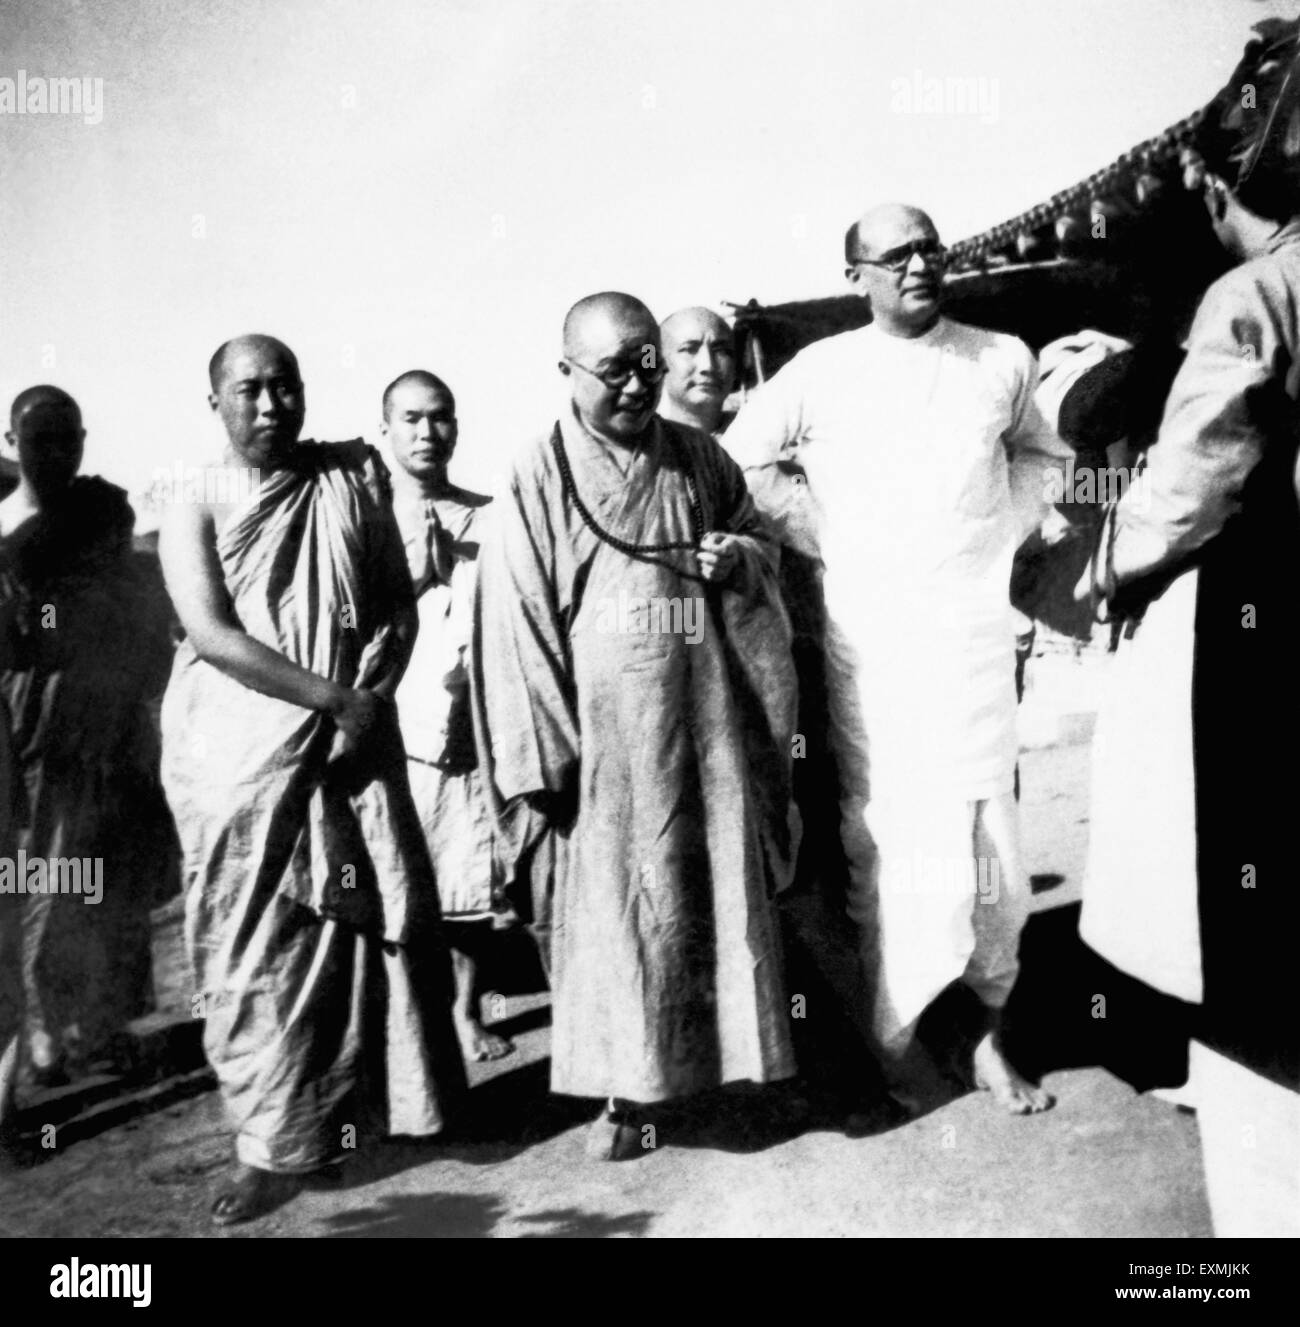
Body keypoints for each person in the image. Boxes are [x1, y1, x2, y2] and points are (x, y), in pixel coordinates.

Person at [726, 205, 1071, 1114]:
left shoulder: (1000, 356)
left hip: (971, 635)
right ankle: (896, 1036)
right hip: (876, 641)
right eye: (896, 254)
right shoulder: (821, 371)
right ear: (857, 274)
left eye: (931, 247)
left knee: (992, 833)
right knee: (889, 836)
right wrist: (824, 532)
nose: (920, 264)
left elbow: (1043, 453)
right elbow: (744, 464)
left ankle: (993, 1035)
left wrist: (1003, 530)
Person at [473, 292, 798, 1158]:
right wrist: (548, 758)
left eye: (647, 362)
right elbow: (516, 622)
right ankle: (627, 1096)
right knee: (622, 916)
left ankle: (733, 1069)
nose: (638, 382)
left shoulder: (698, 456)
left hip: (708, 721)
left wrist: (739, 559)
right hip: (607, 743)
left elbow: (760, 543)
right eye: (614, 368)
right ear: (567, 371)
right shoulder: (538, 469)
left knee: (715, 894)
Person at [159, 335, 465, 1224]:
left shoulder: (348, 480)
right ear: (213, 401)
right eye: (248, 391)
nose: (269, 406)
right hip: (236, 758)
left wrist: (364, 703)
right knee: (255, 946)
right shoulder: (193, 503)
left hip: (351, 741)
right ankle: (271, 1146)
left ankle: (383, 1109)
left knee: (371, 921)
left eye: (283, 387)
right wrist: (329, 698)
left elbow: (394, 605)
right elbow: (213, 635)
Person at [1080, 59, 1300, 1233]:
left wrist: (1110, 562)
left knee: (1255, 922)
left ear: (1220, 186)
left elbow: (1196, 480)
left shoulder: (1255, 295)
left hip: (1270, 626)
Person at [0, 387, 171, 1089]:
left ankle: (100, 1022)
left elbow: (133, 608)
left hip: (112, 714)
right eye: (39, 438)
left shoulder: (104, 510)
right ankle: (41, 1026)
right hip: (36, 724)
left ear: (83, 439)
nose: (55, 451)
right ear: (11, 439)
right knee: (46, 871)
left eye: (67, 437)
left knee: (112, 871)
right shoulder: (7, 531)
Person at [383, 369, 514, 1062]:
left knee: (472, 890)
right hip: (396, 730)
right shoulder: (367, 519)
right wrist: (410, 571)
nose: (428, 432)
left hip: (472, 725)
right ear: (387, 429)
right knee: (404, 888)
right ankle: (415, 1029)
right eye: (411, 418)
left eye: (440, 417)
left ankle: (467, 1012)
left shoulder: (490, 515)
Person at [658, 306, 737, 436]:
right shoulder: (643, 445)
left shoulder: (758, 433)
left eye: (721, 351)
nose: (708, 366)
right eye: (689, 350)